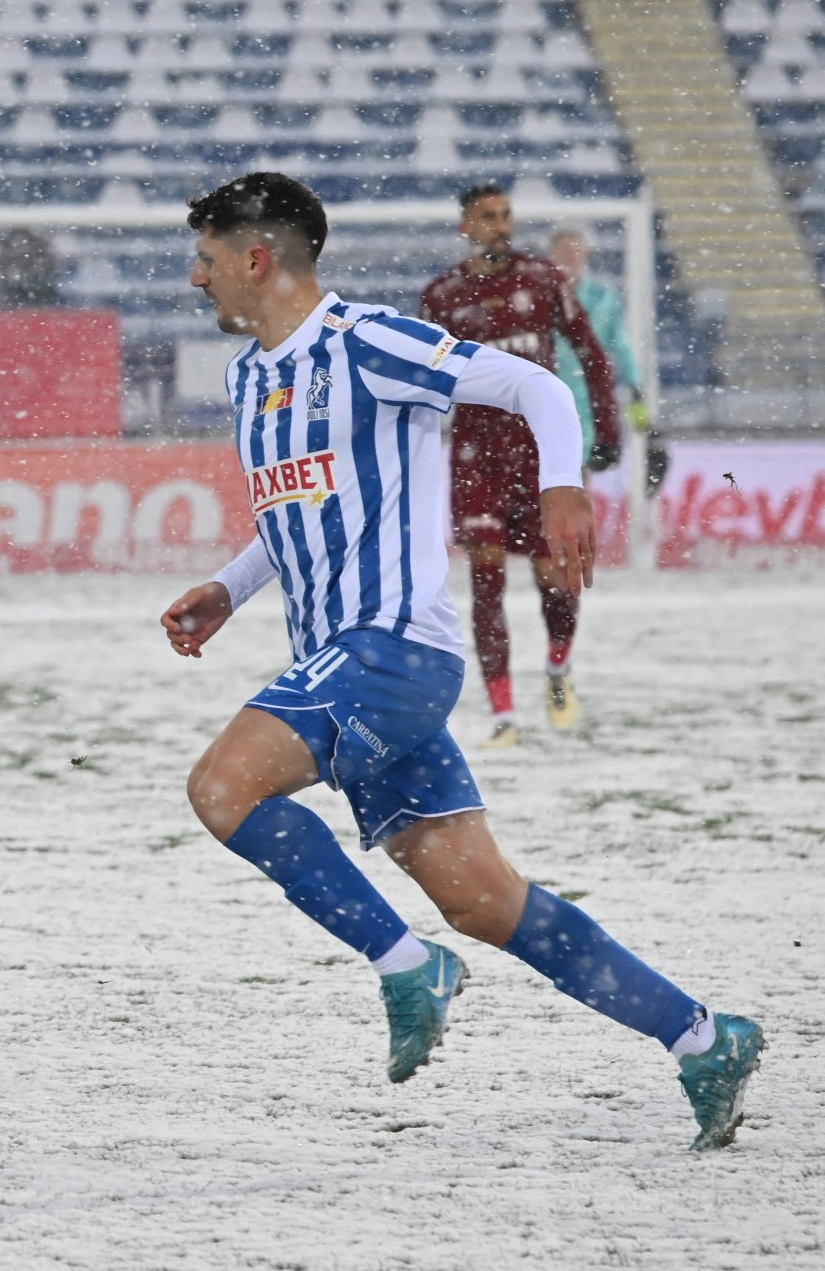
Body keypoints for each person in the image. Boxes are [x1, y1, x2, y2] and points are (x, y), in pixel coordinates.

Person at [161, 172, 762, 1151]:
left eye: (207, 257)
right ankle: (702, 1038)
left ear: (256, 258)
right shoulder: (250, 379)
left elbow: (530, 384)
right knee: (485, 900)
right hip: (349, 670)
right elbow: (296, 513)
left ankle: (408, 968)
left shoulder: (368, 342)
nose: (196, 278)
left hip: (392, 656)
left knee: (223, 787)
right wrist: (229, 588)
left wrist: (564, 487)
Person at [420, 185, 622, 746]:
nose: (501, 226)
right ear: (466, 225)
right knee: (485, 581)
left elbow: (591, 352)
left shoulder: (542, 278)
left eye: (506, 216)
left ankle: (558, 667)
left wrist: (606, 428)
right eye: (488, 217)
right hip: (475, 455)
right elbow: (420, 382)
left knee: (554, 578)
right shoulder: (442, 296)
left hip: (538, 453)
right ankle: (504, 715)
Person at [548, 226, 653, 478]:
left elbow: (620, 344)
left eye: (577, 251)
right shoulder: (542, 296)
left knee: (582, 467)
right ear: (553, 254)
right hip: (549, 389)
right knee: (547, 470)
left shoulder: (602, 298)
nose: (572, 257)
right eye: (565, 251)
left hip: (588, 394)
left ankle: (578, 515)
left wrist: (634, 383)